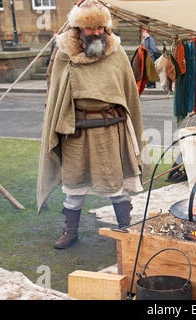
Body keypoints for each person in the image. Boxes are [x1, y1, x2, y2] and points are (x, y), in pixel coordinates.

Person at [37, 0, 149, 249]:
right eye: (91, 28)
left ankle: (125, 230)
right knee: (74, 187)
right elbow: (56, 92)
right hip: (75, 130)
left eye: (101, 26)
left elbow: (128, 90)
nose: (97, 32)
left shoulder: (116, 51)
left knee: (116, 184)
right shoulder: (64, 52)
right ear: (78, 28)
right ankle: (71, 231)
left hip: (110, 129)